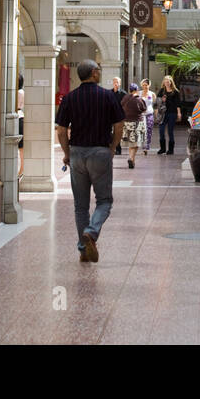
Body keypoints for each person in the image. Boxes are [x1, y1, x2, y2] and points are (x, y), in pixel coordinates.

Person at [54, 60, 125, 263]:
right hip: (100, 152)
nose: (100, 73)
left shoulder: (69, 98)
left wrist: (67, 153)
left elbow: (61, 130)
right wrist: (112, 148)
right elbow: (119, 126)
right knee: (104, 201)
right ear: (94, 73)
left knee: (80, 206)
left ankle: (84, 250)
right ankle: (91, 233)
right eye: (99, 70)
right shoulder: (108, 96)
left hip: (77, 154)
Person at [120, 83, 146, 168]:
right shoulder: (138, 99)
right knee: (136, 143)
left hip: (126, 122)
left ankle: (132, 160)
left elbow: (121, 106)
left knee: (131, 143)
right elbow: (143, 108)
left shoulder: (125, 97)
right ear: (136, 90)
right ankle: (131, 158)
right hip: (136, 123)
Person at [156, 75, 182, 154]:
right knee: (161, 130)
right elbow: (157, 102)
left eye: (168, 81)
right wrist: (162, 101)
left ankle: (171, 150)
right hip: (163, 114)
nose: (167, 83)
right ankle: (162, 149)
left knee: (170, 131)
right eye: (165, 81)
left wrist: (179, 113)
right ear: (163, 82)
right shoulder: (161, 91)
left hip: (172, 113)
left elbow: (178, 104)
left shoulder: (175, 92)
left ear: (171, 82)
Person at [139, 78, 156, 156]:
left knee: (149, 129)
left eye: (147, 85)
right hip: (141, 115)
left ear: (149, 85)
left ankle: (147, 146)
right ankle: (143, 146)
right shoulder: (139, 93)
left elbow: (154, 104)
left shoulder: (152, 94)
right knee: (142, 130)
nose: (145, 86)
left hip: (149, 114)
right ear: (142, 85)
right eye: (144, 85)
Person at [111, 76, 126, 155]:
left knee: (117, 133)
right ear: (113, 83)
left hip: (119, 116)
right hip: (111, 116)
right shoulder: (109, 92)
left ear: (120, 84)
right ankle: (112, 147)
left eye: (117, 82)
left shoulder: (123, 93)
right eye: (114, 82)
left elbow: (126, 105)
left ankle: (118, 149)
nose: (116, 83)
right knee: (110, 132)